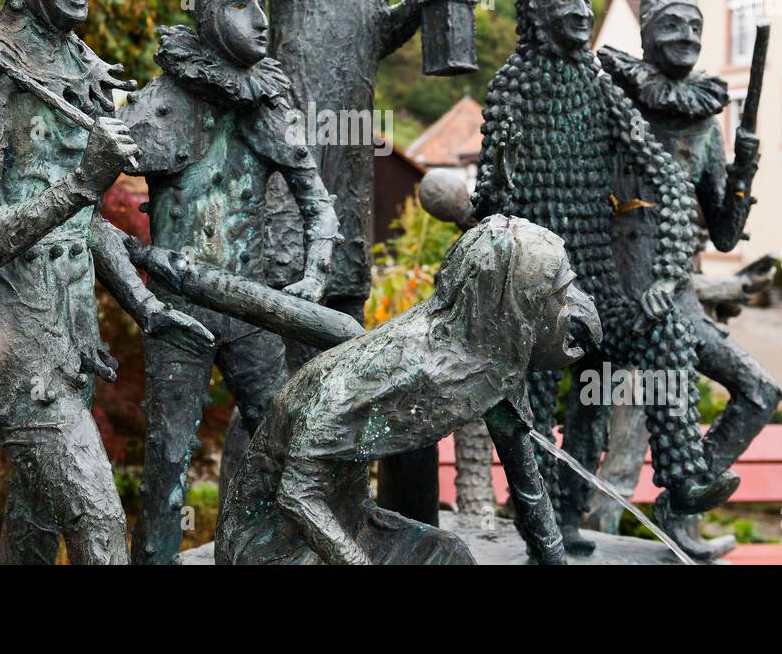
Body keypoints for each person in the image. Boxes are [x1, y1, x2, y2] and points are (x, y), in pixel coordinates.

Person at [176, 0, 470, 522]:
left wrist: (417, 6)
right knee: (272, 343)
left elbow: (368, 36)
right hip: (292, 135)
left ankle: (330, 508)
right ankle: (252, 519)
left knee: (337, 341)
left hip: (348, 150)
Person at [0, 0, 213, 564]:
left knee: (32, 531)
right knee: (98, 524)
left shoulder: (81, 65)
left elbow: (87, 223)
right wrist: (79, 183)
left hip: (70, 332)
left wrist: (145, 303)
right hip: (13, 338)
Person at [473, 0, 739, 556]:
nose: (580, 10)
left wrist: (667, 274)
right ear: (537, 11)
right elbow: (486, 201)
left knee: (664, 337)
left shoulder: (599, 86)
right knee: (538, 405)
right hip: (535, 288)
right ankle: (545, 526)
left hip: (596, 283)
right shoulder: (512, 86)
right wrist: (503, 177)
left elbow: (663, 176)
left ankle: (685, 482)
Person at [118, 0, 339, 565]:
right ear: (209, 15)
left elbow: (317, 201)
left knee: (283, 445)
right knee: (168, 461)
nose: (261, 19)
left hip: (252, 309)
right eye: (243, 6)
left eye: (263, 5)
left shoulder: (268, 104)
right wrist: (141, 297)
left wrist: (313, 272)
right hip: (181, 312)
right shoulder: (159, 103)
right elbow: (84, 205)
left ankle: (277, 555)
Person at [216, 215, 601, 565]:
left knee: (449, 556)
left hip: (349, 522)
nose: (573, 307)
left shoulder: (495, 362)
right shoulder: (401, 370)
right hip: (274, 544)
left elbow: (527, 487)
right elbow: (297, 493)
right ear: (514, 303)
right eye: (558, 294)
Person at [592, 0, 782, 558]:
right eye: (672, 24)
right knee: (610, 427)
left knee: (759, 392)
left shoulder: (704, 121)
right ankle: (586, 524)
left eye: (694, 28)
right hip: (616, 292)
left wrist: (745, 171)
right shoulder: (615, 97)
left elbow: (724, 232)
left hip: (678, 296)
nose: (686, 38)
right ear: (648, 29)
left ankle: (682, 503)